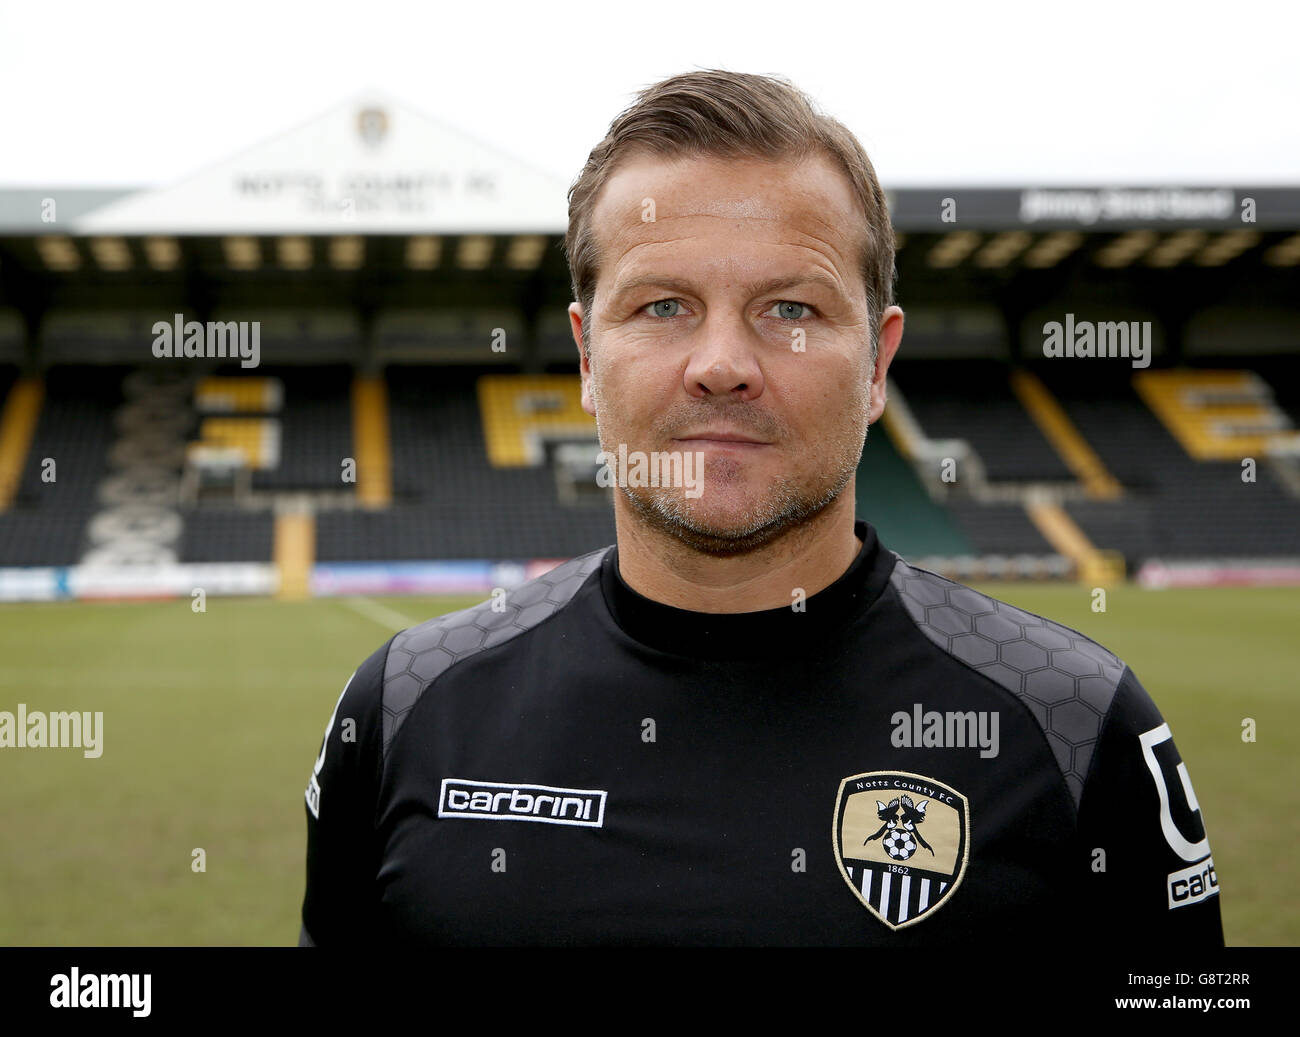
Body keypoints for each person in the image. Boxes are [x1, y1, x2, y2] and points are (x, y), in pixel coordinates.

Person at [299, 69, 1222, 946]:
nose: (721, 364)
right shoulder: (401, 710)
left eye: (790, 309)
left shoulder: (1079, 725)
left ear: (876, 364)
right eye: (662, 307)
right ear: (586, 358)